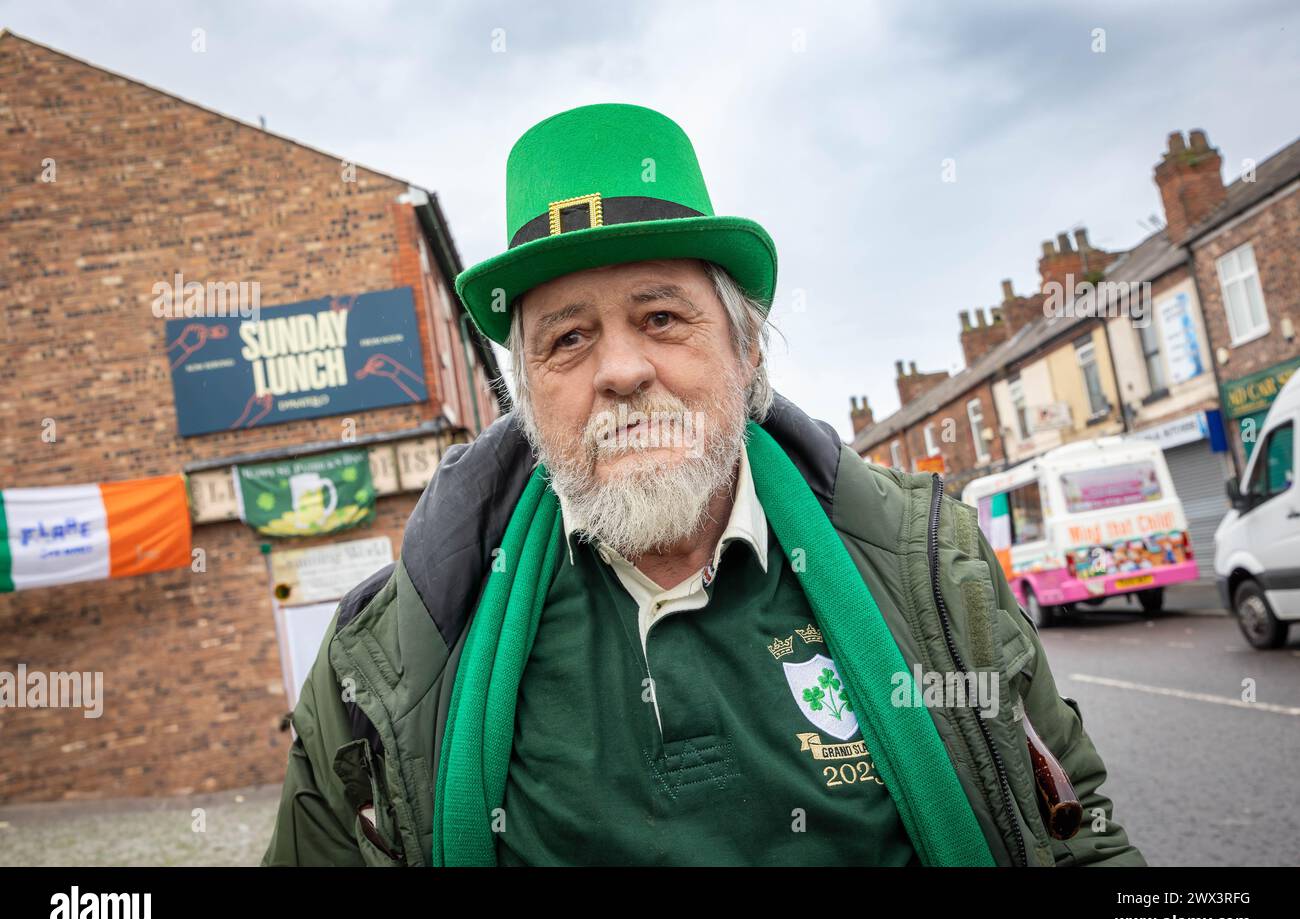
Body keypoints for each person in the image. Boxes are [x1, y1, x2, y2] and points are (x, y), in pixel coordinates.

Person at [262, 103, 1144, 866]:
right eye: (567, 339)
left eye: (660, 318)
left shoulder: (929, 568)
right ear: (525, 396)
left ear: (746, 348)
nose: (620, 370)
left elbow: (1079, 841)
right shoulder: (390, 652)